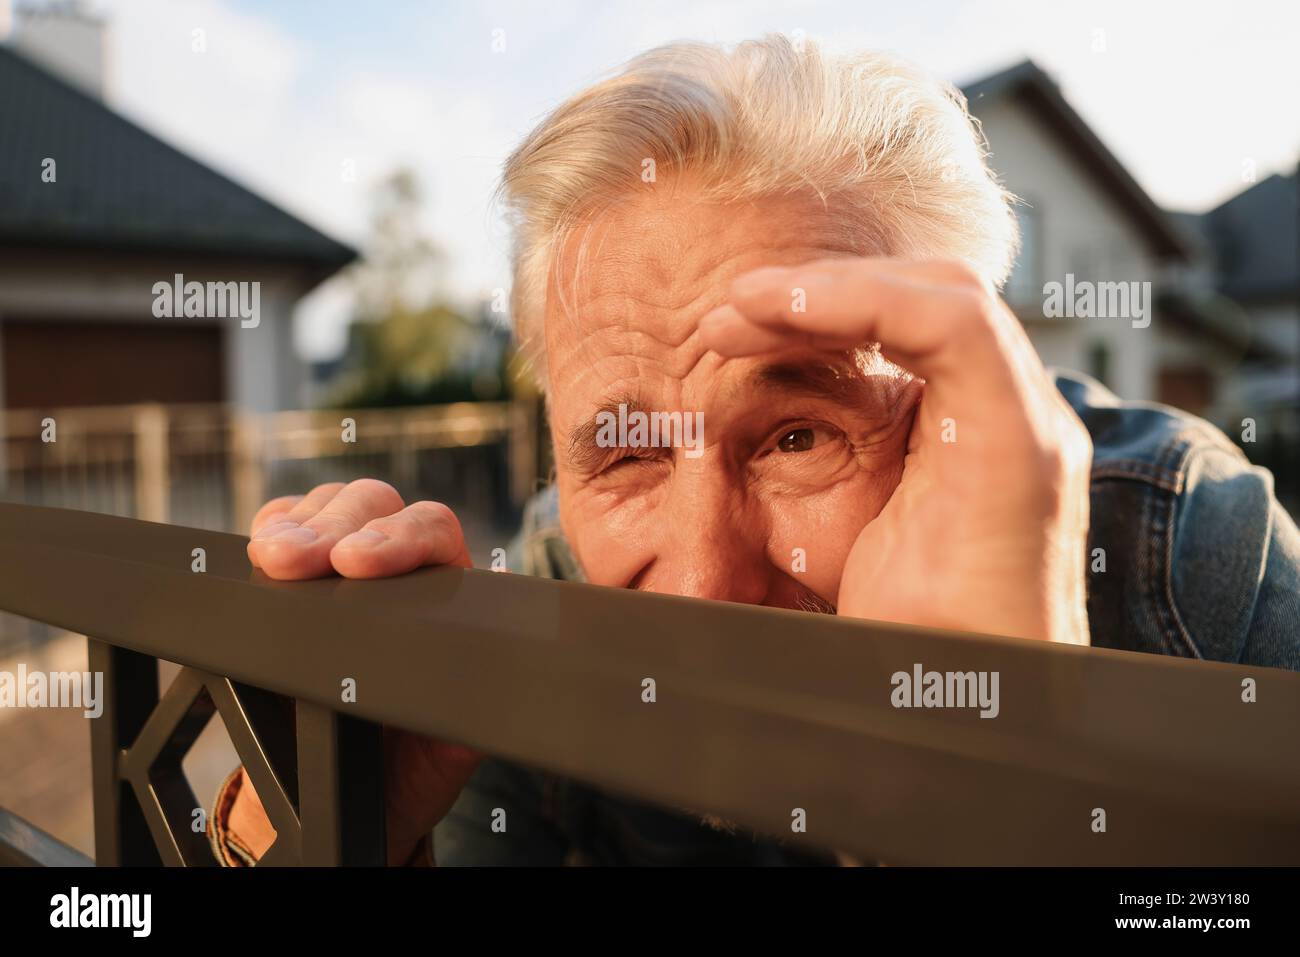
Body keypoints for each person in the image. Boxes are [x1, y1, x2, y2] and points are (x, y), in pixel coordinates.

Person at [210, 36, 1300, 867]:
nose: (698, 585)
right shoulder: (540, 590)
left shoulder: (1182, 551)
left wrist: (1015, 757)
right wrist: (313, 832)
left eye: (796, 436)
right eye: (628, 454)